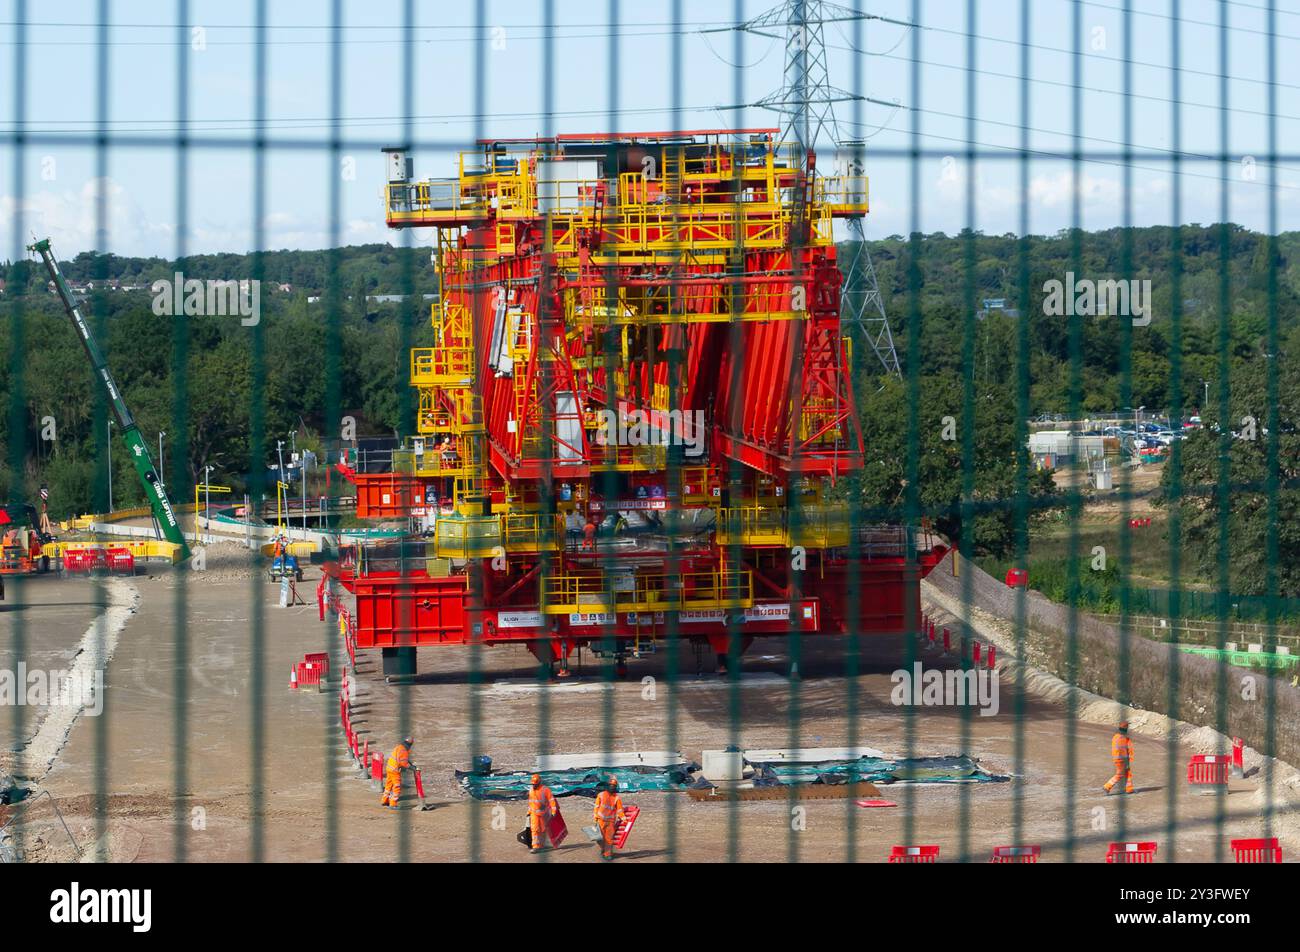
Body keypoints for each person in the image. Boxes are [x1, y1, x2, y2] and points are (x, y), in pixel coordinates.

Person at [593, 776, 626, 860]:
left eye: (613, 786)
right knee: (599, 838)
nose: (612, 787)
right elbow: (596, 807)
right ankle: (603, 849)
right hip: (601, 820)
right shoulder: (601, 795)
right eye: (611, 785)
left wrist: (623, 819)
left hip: (610, 822)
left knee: (609, 838)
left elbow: (619, 810)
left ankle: (607, 854)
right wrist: (595, 817)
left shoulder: (616, 798)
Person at [381, 736, 416, 809]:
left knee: (388, 785)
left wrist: (411, 764)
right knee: (397, 786)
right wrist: (412, 768)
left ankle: (384, 800)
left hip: (389, 768)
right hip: (395, 770)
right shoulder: (404, 750)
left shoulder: (399, 747)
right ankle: (393, 804)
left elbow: (403, 759)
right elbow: (404, 763)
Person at [526, 774, 559, 853]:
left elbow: (552, 801)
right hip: (534, 813)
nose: (534, 785)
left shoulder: (545, 790)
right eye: (533, 784)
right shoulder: (531, 790)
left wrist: (554, 812)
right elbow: (531, 802)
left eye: (535, 784)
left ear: (539, 782)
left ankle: (541, 845)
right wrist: (529, 812)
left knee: (543, 830)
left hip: (544, 814)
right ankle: (536, 847)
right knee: (535, 829)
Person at [1103, 721, 1135, 795]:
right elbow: (1123, 750)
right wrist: (1126, 761)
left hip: (1118, 758)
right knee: (1120, 774)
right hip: (1122, 760)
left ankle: (1129, 789)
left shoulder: (1116, 737)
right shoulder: (1123, 738)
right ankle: (1107, 786)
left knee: (1127, 773)